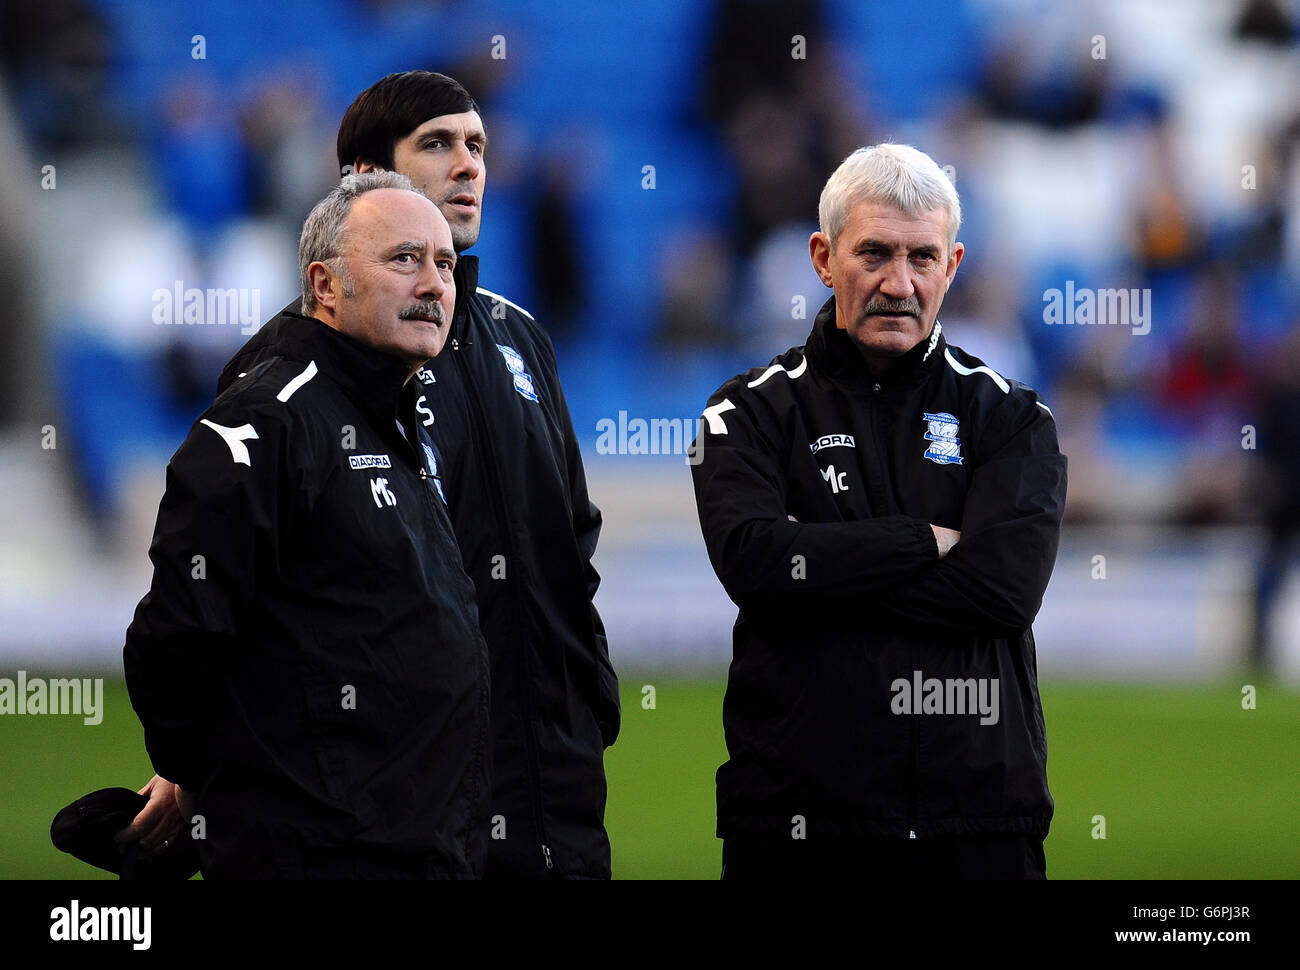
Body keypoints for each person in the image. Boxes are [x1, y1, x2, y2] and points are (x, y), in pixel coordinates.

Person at [118, 72, 620, 880]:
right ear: (361, 177)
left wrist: (586, 699)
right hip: (403, 801)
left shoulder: (521, 340)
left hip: (551, 787)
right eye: (438, 143)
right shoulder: (294, 383)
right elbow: (218, 603)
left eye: (479, 146)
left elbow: (572, 543)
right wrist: (202, 762)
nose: (468, 166)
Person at [690, 143, 1067, 879]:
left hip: (980, 823)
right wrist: (924, 541)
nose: (900, 284)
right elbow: (755, 563)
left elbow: (1003, 590)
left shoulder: (1014, 418)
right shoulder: (746, 412)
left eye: (923, 258)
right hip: (796, 824)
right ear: (823, 258)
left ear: (953, 265)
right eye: (875, 254)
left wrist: (822, 562)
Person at [123, 171, 492, 878]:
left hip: (427, 851)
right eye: (404, 259)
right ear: (325, 286)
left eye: (445, 264)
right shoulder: (265, 419)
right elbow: (175, 634)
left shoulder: (401, 423)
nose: (434, 284)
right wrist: (199, 776)